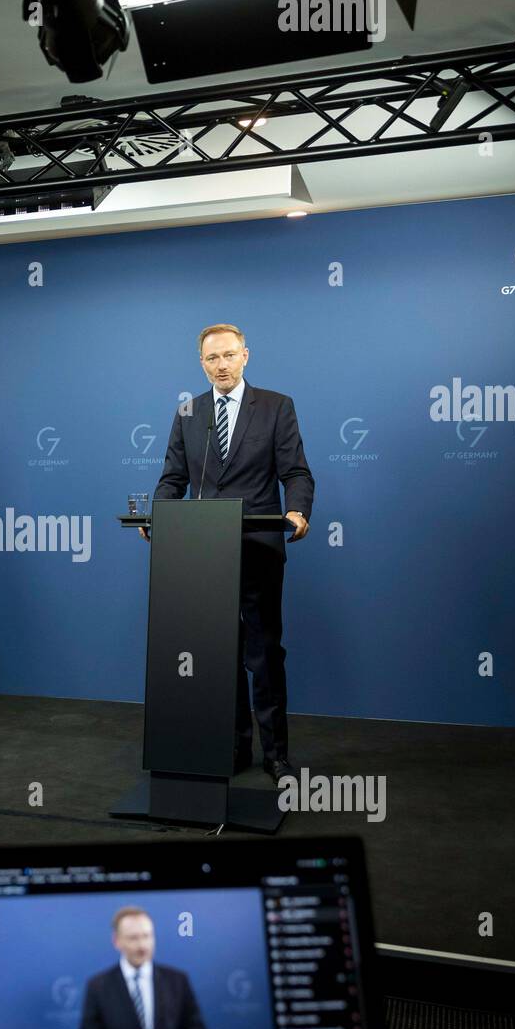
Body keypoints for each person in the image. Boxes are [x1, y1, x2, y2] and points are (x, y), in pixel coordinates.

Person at [144, 323, 314, 784]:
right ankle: (233, 748)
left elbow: (296, 472)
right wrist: (158, 515)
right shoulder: (187, 411)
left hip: (257, 548)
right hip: (204, 552)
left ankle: (276, 755)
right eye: (211, 358)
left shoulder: (277, 407)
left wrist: (297, 511)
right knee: (220, 655)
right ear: (202, 363)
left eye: (228, 355)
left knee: (263, 656)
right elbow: (171, 477)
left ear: (245, 356)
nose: (220, 365)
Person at [75, 906, 219, 1029]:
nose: (142, 946)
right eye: (133, 938)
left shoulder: (177, 981)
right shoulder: (98, 987)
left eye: (147, 936)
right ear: (116, 941)